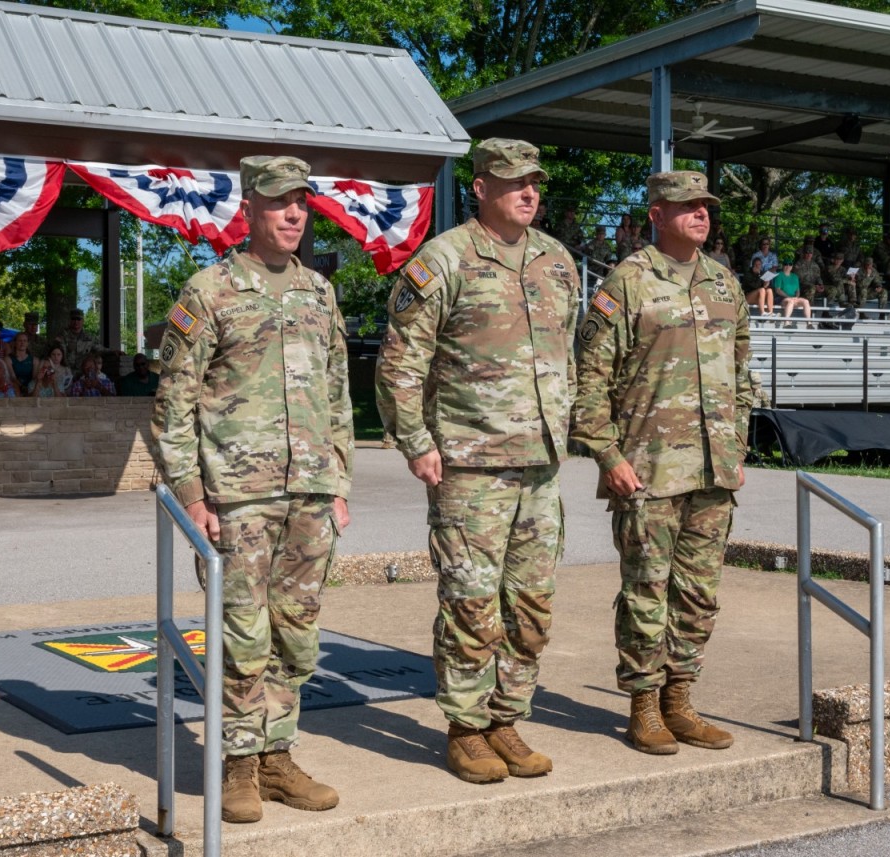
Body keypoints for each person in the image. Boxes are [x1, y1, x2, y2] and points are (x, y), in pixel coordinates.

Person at [152, 154, 353, 824]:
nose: (294, 213)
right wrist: (191, 492)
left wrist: (338, 479)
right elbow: (172, 404)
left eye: (301, 201)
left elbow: (339, 392)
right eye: (279, 202)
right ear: (250, 209)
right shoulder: (209, 291)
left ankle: (277, 754)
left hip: (310, 492)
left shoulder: (319, 292)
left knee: (296, 631)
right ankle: (238, 764)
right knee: (243, 632)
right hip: (239, 494)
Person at [376, 138, 578, 785]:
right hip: (470, 466)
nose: (528, 191)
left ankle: (505, 719)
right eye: (513, 181)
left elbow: (567, 357)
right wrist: (417, 442)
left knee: (532, 604)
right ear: (481, 188)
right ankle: (465, 727)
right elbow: (400, 364)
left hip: (540, 468)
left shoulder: (557, 262)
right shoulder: (444, 262)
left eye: (534, 182)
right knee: (471, 604)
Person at [573, 170, 752, 756]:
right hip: (647, 467)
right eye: (686, 205)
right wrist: (607, 454)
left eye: (705, 205)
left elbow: (743, 376)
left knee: (699, 593)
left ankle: (680, 700)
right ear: (656, 213)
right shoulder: (626, 282)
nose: (700, 213)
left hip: (713, 470)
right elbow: (590, 379)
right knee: (646, 591)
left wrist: (738, 445)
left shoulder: (724, 283)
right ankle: (644, 706)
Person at [56, 308, 103, 373]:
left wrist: (112, 351)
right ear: (69, 320)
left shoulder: (89, 337)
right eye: (73, 319)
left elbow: (100, 349)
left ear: (83, 321)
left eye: (78, 319)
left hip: (84, 372)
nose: (76, 322)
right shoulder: (62, 336)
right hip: (66, 371)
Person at [773, 257, 811, 325]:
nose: (788, 266)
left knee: (806, 301)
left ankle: (809, 323)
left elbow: (798, 291)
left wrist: (796, 297)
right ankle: (786, 322)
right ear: (783, 265)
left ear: (792, 266)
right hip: (781, 298)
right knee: (790, 301)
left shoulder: (795, 276)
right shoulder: (779, 275)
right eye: (786, 264)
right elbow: (777, 290)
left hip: (793, 298)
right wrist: (788, 297)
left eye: (790, 264)